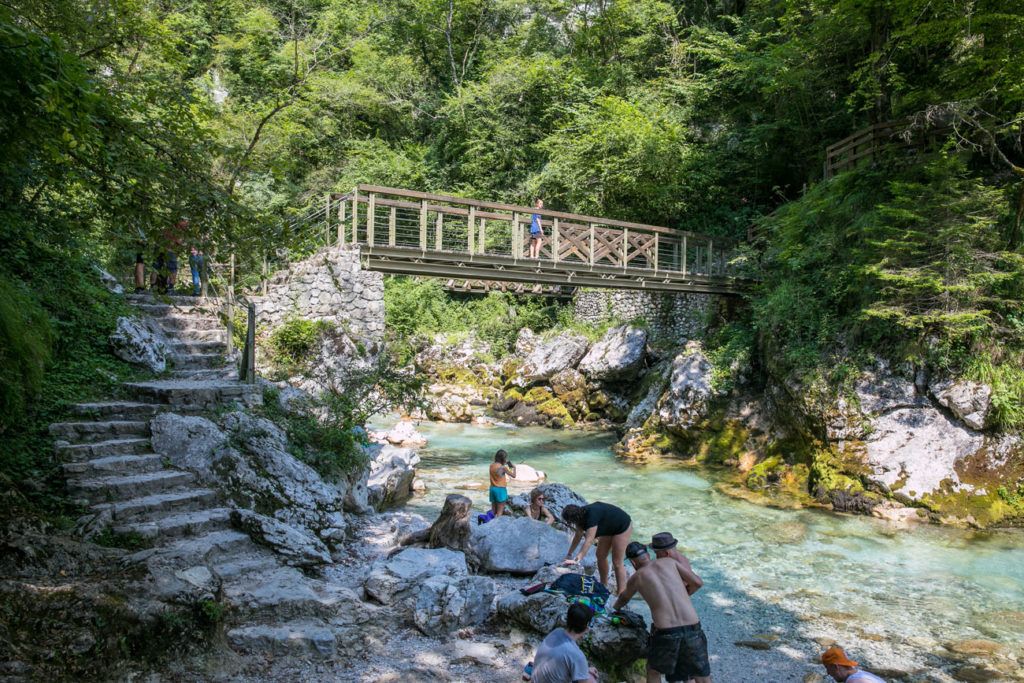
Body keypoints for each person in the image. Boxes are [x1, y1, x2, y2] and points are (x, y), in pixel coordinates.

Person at [612, 541, 711, 683]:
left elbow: (623, 598)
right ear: (648, 554)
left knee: (654, 671)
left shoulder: (637, 577)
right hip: (693, 627)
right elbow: (698, 583)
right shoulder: (669, 562)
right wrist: (685, 595)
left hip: (666, 633)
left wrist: (613, 608)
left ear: (633, 563)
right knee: (701, 674)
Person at [561, 502, 632, 593]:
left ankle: (621, 593)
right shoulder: (579, 515)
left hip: (622, 526)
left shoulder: (591, 516)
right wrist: (569, 554)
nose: (571, 524)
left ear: (574, 519)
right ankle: (603, 585)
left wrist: (576, 560)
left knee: (617, 562)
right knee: (600, 555)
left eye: (570, 522)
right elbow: (578, 536)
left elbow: (589, 540)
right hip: (609, 528)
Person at [530, 603, 599, 683]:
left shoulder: (556, 631)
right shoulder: (577, 655)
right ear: (586, 628)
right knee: (592, 679)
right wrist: (585, 671)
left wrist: (585, 670)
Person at [821, 646, 886, 682]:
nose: (828, 673)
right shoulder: (861, 674)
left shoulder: (855, 680)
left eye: (827, 668)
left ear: (836, 667)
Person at [489, 449, 516, 517]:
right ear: (503, 458)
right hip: (500, 490)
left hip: (492, 489)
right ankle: (497, 527)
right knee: (499, 513)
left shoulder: (491, 465)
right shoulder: (503, 468)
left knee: (493, 511)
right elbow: (514, 476)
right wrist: (514, 467)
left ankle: (489, 524)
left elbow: (498, 473)